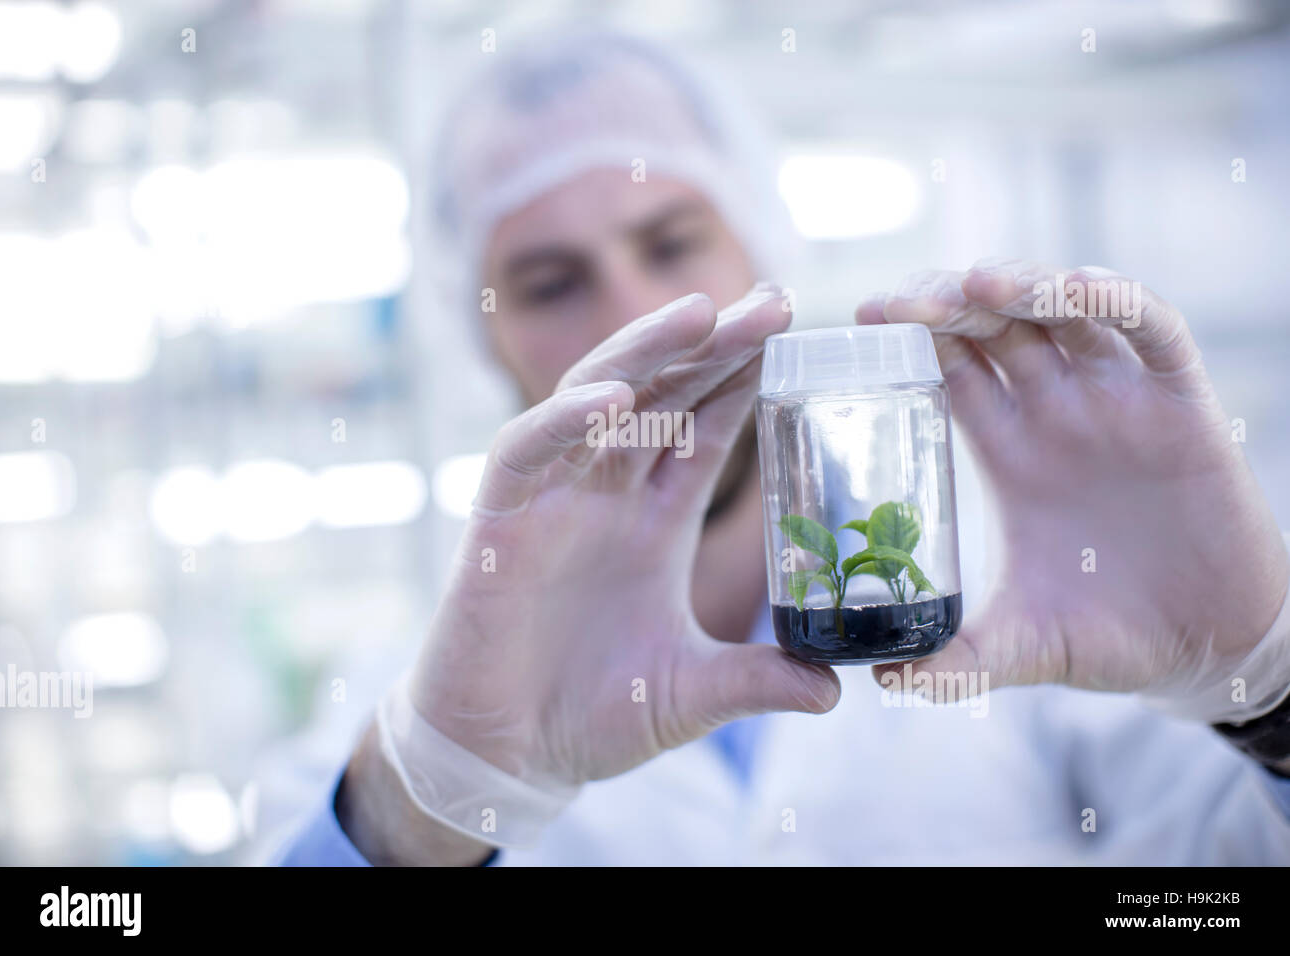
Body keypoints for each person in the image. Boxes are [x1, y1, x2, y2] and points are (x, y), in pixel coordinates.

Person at [261, 31, 1290, 866]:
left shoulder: (1029, 603)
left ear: (763, 246)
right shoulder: (425, 699)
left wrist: (1269, 692)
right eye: (549, 281)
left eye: (670, 243)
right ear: (477, 328)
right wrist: (429, 809)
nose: (636, 314)